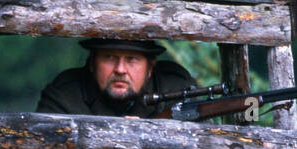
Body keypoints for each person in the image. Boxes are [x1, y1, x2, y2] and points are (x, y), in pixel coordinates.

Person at [35, 38, 194, 117]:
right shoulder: (65, 96)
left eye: (131, 59)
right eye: (109, 57)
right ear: (92, 63)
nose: (120, 69)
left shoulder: (175, 89)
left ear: (150, 69)